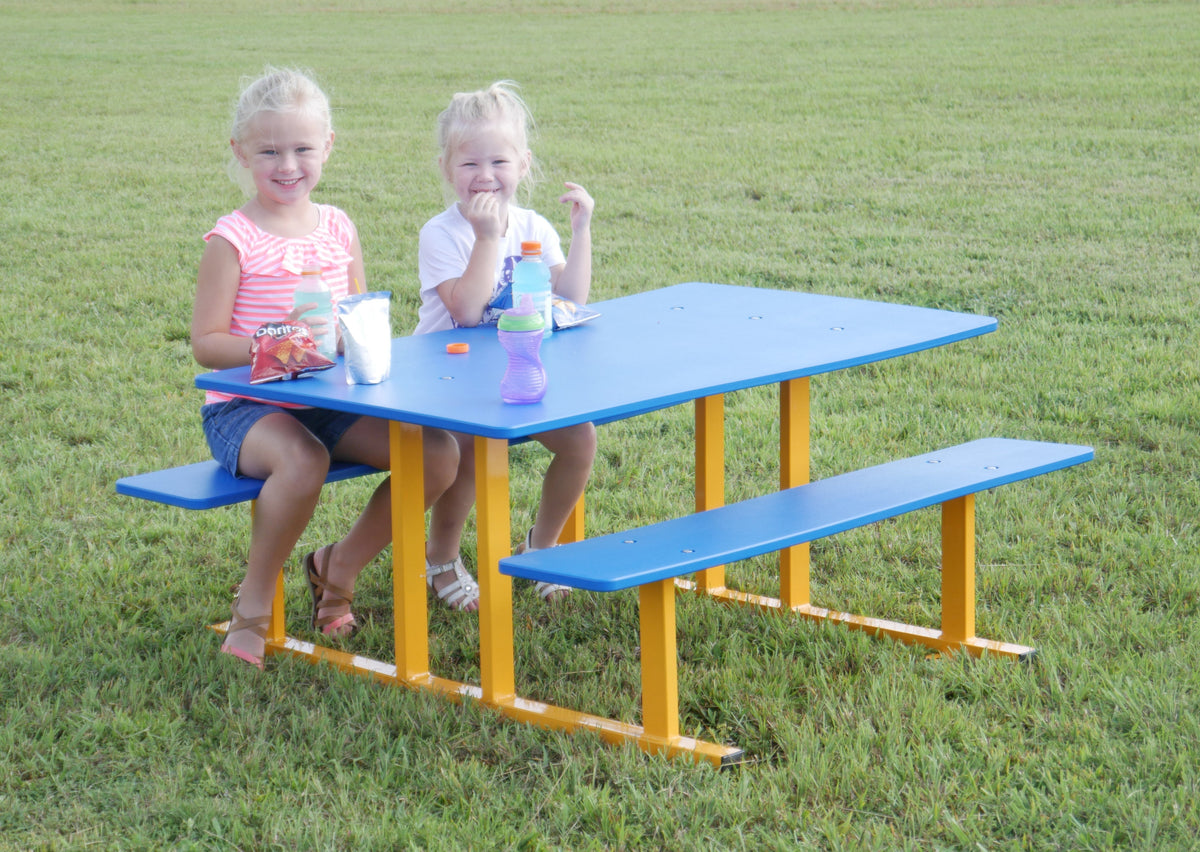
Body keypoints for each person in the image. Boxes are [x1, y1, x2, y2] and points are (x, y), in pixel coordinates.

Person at [191, 67, 459, 669]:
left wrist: (348, 334)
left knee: (437, 453)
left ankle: (338, 565)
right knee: (303, 459)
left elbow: (355, 316)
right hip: (246, 409)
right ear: (241, 152)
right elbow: (206, 345)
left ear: (328, 146)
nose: (288, 165)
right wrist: (277, 342)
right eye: (269, 151)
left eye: (302, 149)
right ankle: (253, 606)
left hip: (329, 402)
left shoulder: (338, 228)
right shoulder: (233, 239)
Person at [416, 81, 597, 609]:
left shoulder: (534, 225)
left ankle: (541, 547)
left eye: (499, 161)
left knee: (580, 440)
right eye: (470, 163)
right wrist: (487, 237)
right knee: (471, 448)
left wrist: (581, 231)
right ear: (447, 168)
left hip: (516, 371)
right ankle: (440, 559)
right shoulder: (442, 233)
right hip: (448, 380)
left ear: (523, 164)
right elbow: (467, 312)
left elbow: (570, 298)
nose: (486, 175)